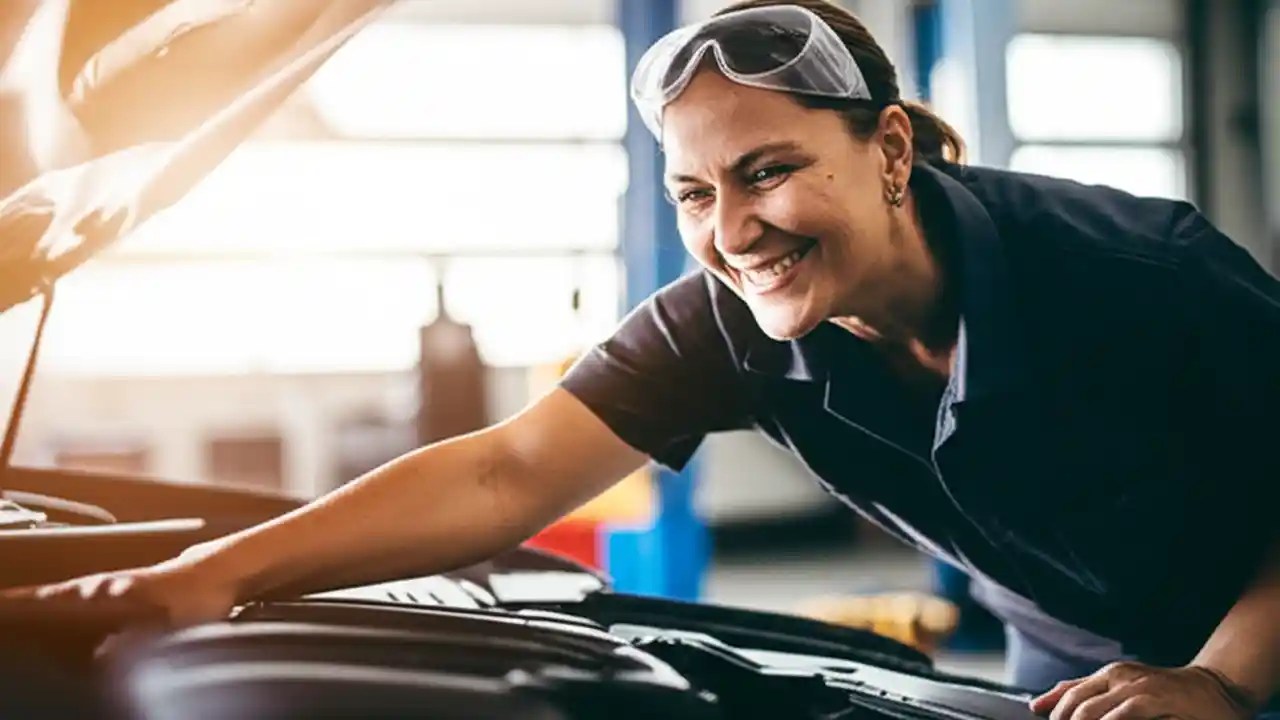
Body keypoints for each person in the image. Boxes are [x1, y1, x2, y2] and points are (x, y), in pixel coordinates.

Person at [9, 1, 1280, 717]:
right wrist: (201, 577)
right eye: (693, 192)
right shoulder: (722, 319)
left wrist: (1220, 688)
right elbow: (508, 474)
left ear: (890, 150)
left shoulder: (1138, 276)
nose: (732, 233)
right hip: (1070, 665)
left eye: (770, 171)